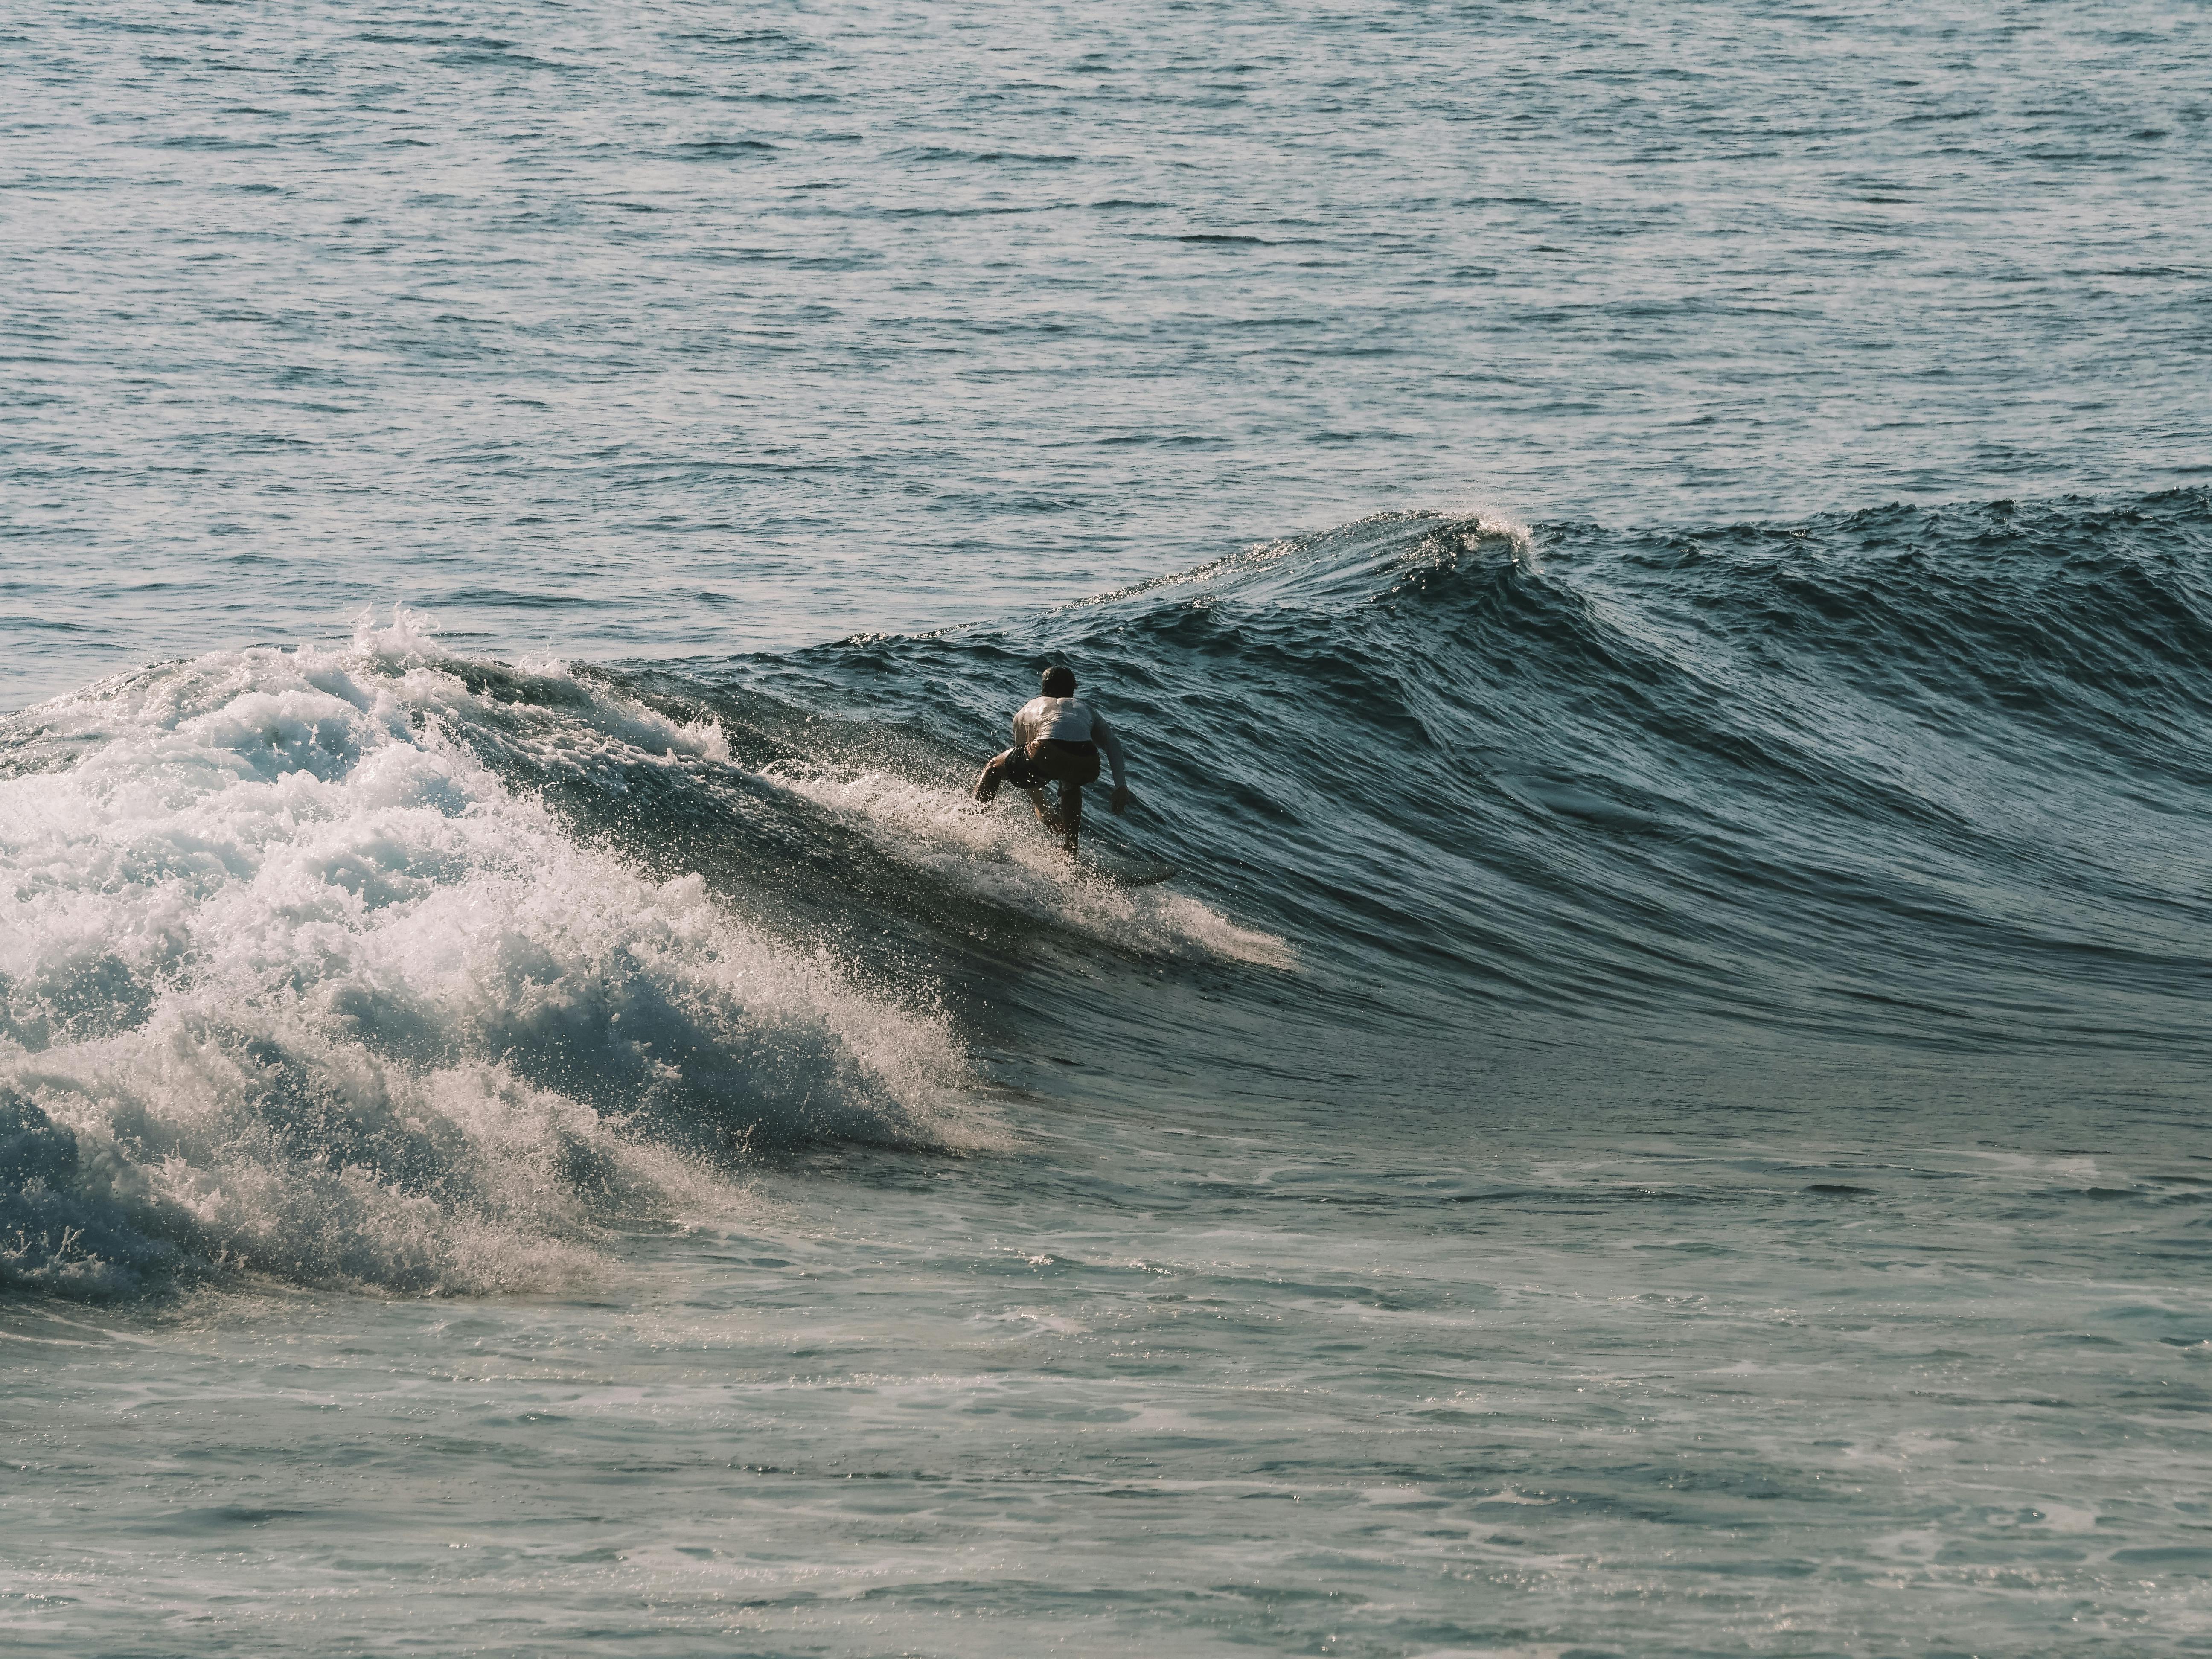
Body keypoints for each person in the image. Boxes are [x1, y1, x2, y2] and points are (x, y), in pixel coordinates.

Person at [972, 664, 1133, 853]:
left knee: (993, 768)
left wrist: (1044, 810)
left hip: (1047, 752)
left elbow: (1028, 772)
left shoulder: (1027, 710)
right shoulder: (1086, 709)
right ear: (1073, 688)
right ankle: (1071, 849)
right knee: (1071, 783)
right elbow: (1112, 743)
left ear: (1044, 688)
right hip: (1088, 761)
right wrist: (1120, 786)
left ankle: (974, 821)